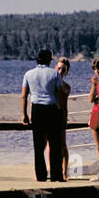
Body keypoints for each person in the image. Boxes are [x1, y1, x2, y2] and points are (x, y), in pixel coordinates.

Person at [21, 50, 66, 183]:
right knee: (55, 145)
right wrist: (62, 114)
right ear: (49, 60)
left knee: (38, 146)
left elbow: (24, 96)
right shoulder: (54, 74)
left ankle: (41, 175)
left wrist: (24, 114)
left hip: (37, 110)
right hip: (52, 109)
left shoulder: (28, 74)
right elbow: (59, 94)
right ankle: (56, 175)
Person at [55, 57, 71, 179]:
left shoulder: (66, 87)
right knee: (49, 145)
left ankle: (65, 172)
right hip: (50, 116)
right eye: (59, 68)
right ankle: (51, 169)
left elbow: (62, 91)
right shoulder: (50, 82)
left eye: (63, 70)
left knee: (62, 145)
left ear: (66, 72)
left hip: (61, 117)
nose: (60, 71)